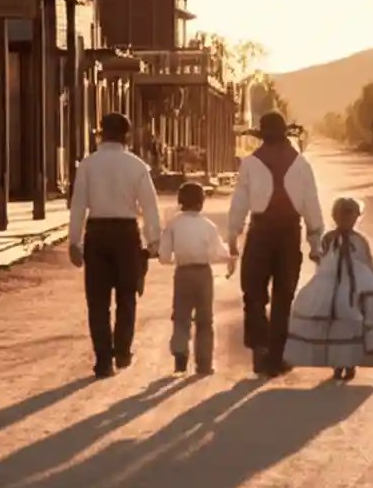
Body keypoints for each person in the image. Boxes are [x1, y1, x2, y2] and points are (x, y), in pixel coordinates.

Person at [229, 111, 324, 377]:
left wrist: (233, 235)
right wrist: (315, 241)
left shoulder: (250, 163)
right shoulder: (301, 164)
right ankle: (276, 356)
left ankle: (260, 350)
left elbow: (239, 202)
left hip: (260, 233)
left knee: (254, 293)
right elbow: (311, 204)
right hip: (289, 234)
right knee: (284, 297)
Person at [69, 112, 162, 380]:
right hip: (126, 235)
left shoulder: (88, 165)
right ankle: (122, 351)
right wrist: (153, 240)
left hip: (97, 234)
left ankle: (102, 362)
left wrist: (75, 241)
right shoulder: (137, 166)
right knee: (126, 296)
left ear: (101, 134)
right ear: (127, 136)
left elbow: (78, 205)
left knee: (97, 301)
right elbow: (150, 207)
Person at [283, 197, 373, 380]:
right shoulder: (329, 239)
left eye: (350, 216)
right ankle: (338, 363)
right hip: (332, 287)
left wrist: (372, 283)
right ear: (335, 217)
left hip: (355, 287)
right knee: (336, 323)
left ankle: (350, 362)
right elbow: (322, 260)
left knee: (351, 321)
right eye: (342, 216)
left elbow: (367, 261)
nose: (346, 220)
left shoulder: (359, 240)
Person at [158, 182, 235, 375]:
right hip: (203, 274)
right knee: (205, 320)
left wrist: (176, 258)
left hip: (183, 274)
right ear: (202, 202)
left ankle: (180, 357)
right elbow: (218, 252)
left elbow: (164, 256)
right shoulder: (208, 226)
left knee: (181, 317)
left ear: (180, 201)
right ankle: (204, 364)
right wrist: (230, 258)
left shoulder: (173, 224)